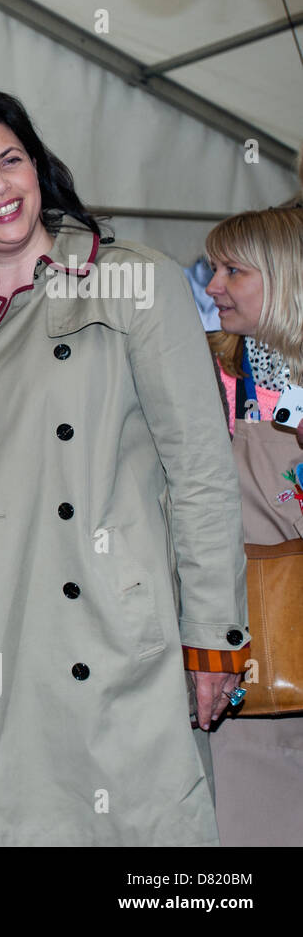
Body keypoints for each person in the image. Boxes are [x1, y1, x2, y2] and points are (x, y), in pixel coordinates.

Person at [0, 90, 249, 846]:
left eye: (10, 160)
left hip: (102, 624)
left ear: (39, 168)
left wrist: (215, 634)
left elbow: (202, 469)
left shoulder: (133, 282)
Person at [203, 206, 303, 846]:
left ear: (287, 278)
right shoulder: (209, 376)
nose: (212, 285)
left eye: (233, 270)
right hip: (243, 647)